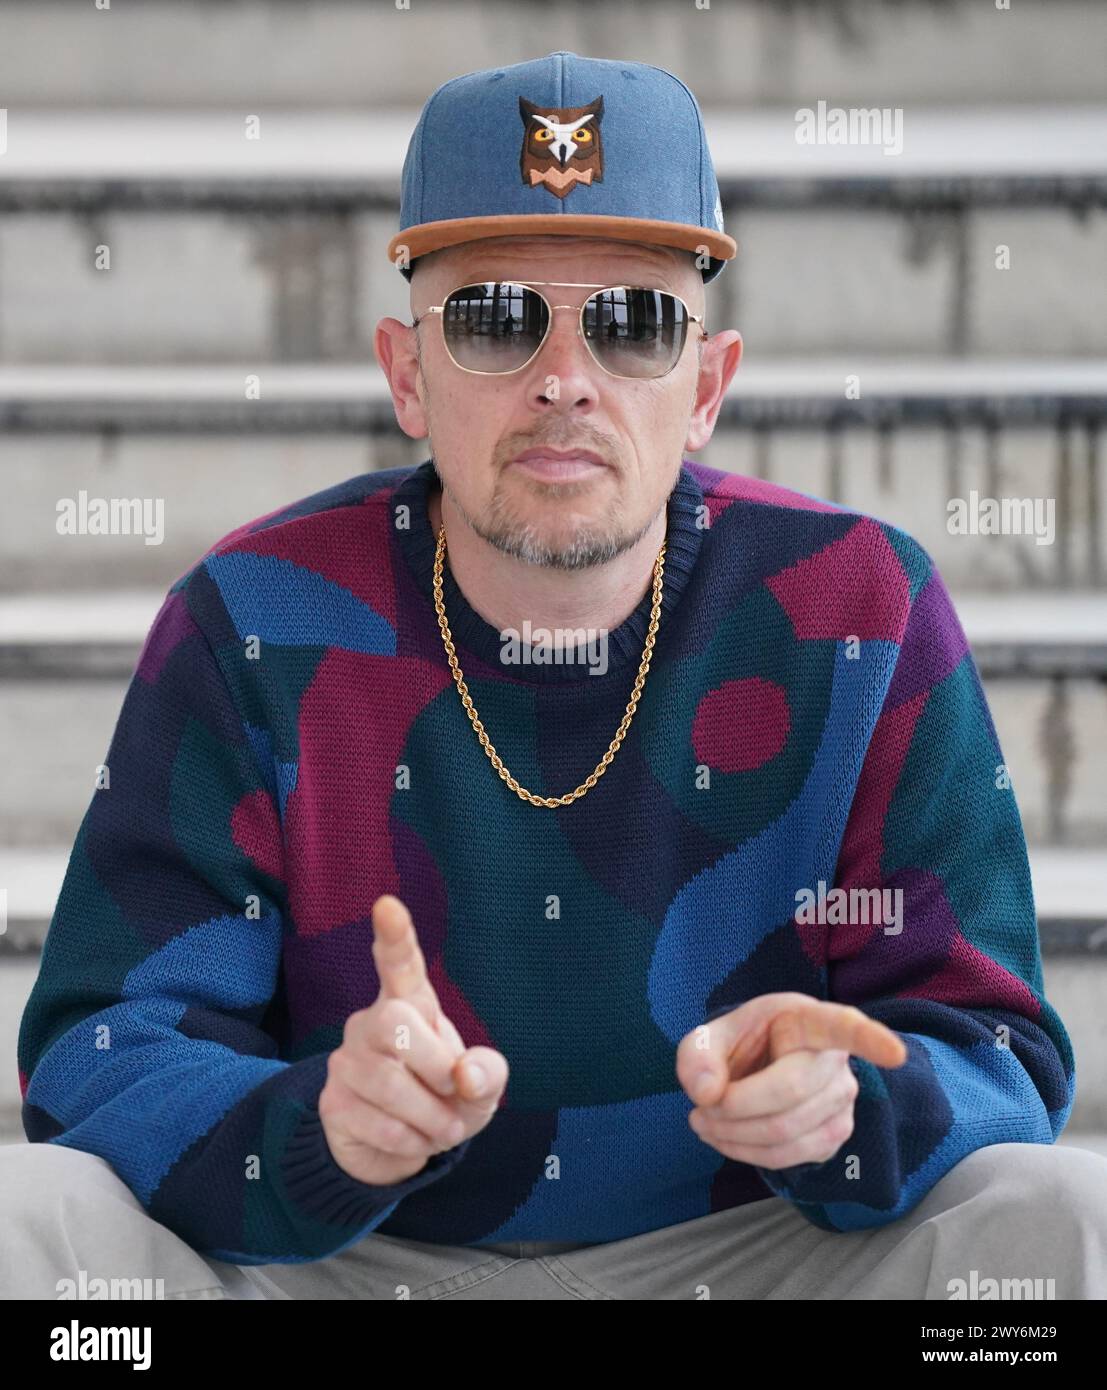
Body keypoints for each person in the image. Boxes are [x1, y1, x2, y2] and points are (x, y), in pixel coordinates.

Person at [4, 50, 1104, 1302]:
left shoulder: (860, 606)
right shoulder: (252, 618)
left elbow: (998, 1046)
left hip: (755, 1264)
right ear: (407, 374)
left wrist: (853, 1105)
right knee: (28, 1232)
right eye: (494, 317)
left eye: (634, 322)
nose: (564, 378)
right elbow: (101, 1051)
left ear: (707, 383)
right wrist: (316, 1130)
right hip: (352, 1263)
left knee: (1068, 1225)